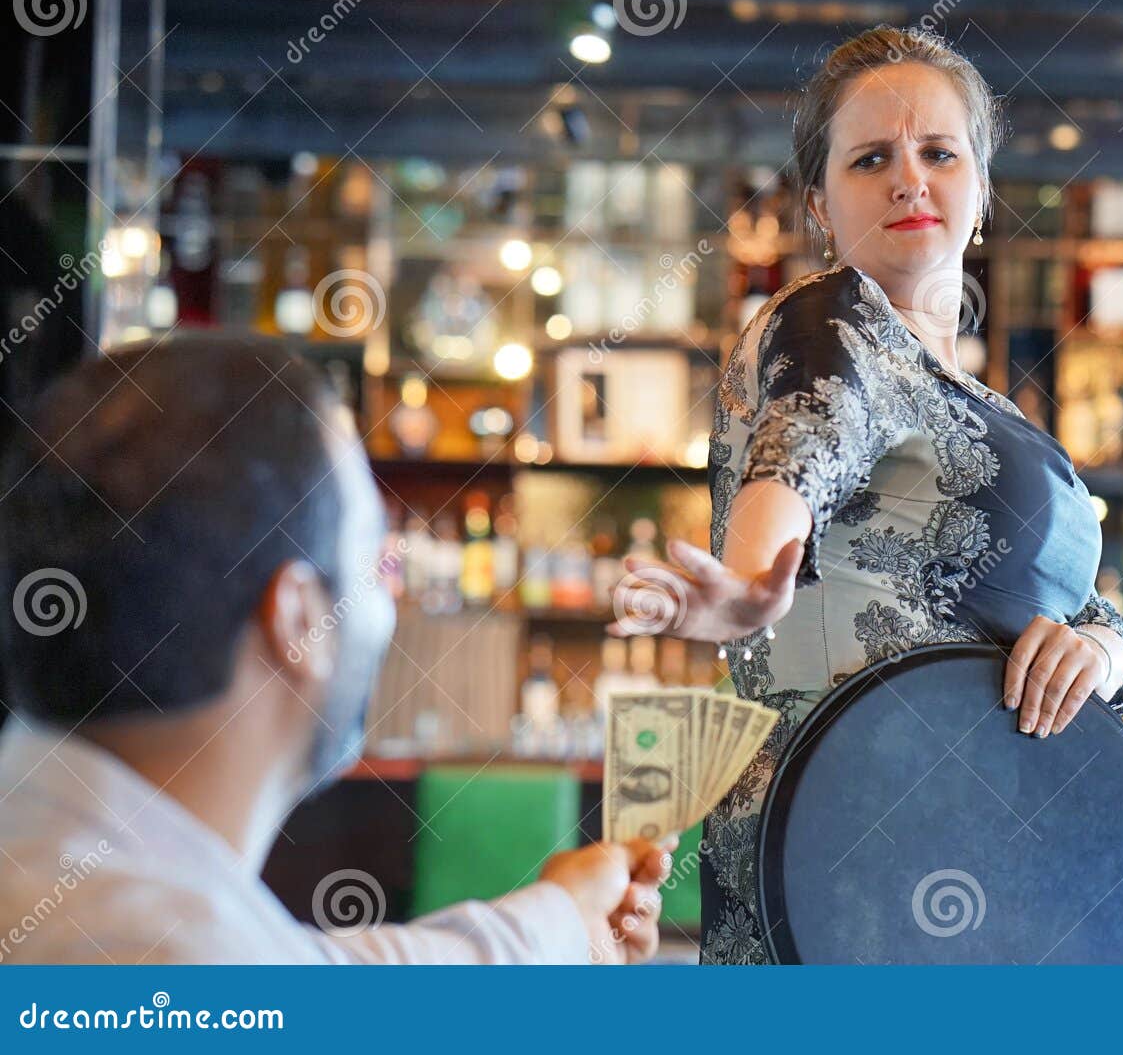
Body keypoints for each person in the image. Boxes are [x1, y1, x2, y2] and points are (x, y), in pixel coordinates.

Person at [609, 26, 1123, 964]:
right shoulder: (832, 320)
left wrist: (1098, 649)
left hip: (1000, 857)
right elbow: (801, 443)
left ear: (981, 193)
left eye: (939, 152)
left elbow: (1086, 609)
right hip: (851, 847)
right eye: (870, 159)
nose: (909, 178)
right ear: (820, 204)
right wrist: (749, 577)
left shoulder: (984, 413)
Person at [0, 334, 673, 964]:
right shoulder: (171, 952)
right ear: (299, 618)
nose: (386, 609)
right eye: (374, 564)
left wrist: (561, 916)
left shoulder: (83, 872)